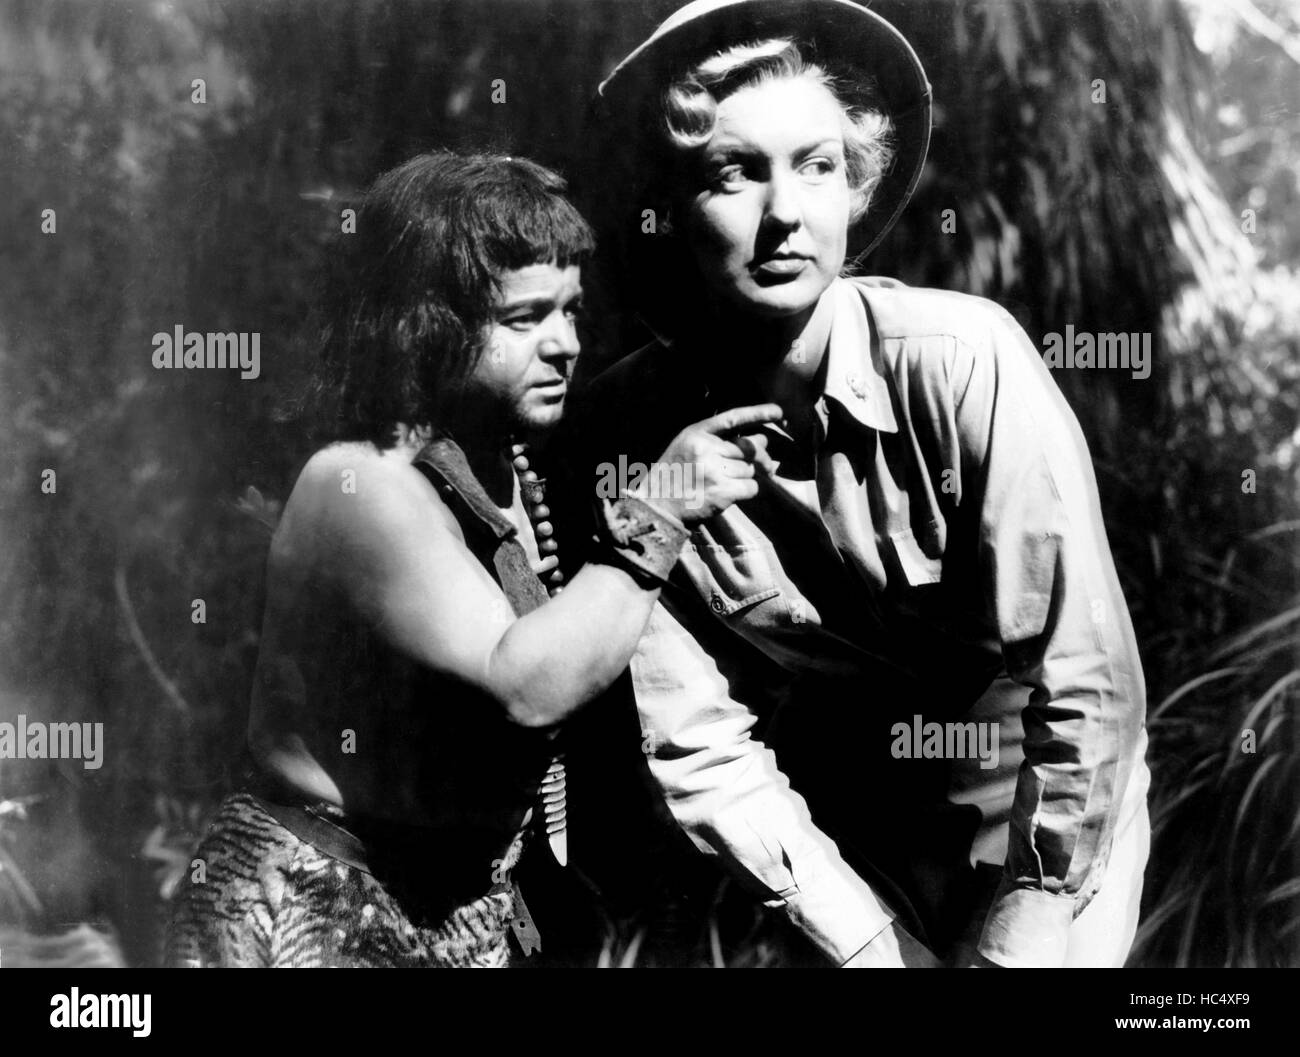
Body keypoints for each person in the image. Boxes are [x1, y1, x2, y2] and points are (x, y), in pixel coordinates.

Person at [573, 0, 1151, 968]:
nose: (785, 213)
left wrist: (1039, 899)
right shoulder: (628, 436)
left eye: (818, 165)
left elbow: (1084, 675)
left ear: (856, 187)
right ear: (669, 203)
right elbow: (698, 745)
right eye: (735, 171)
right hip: (840, 835)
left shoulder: (965, 362)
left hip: (1042, 805)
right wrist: (871, 943)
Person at [163, 150, 779, 967]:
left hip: (455, 914)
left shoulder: (504, 465)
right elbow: (524, 684)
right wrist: (657, 512)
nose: (565, 345)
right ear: (426, 325)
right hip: (312, 913)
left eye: (571, 311)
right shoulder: (360, 480)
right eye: (525, 319)